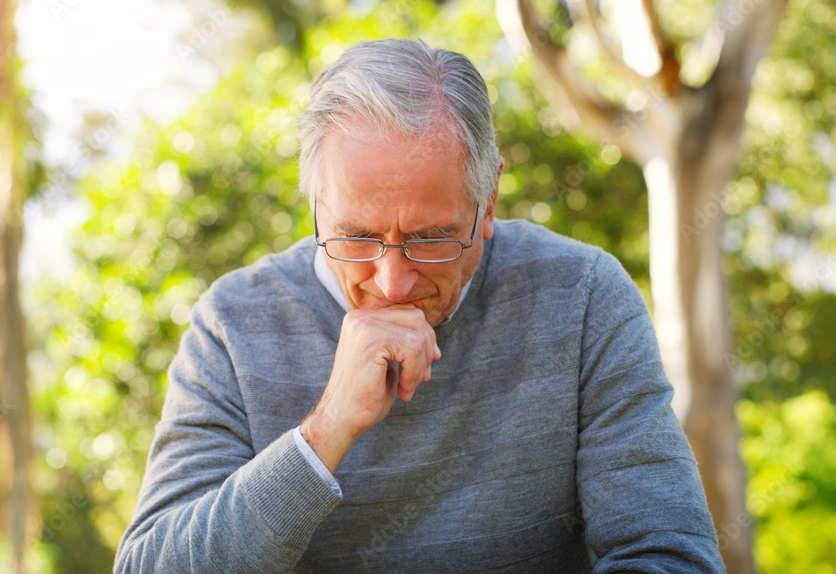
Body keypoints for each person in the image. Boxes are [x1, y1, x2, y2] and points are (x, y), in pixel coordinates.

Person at [114, 38, 725, 573]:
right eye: (356, 236)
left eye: (431, 238)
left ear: (488, 205)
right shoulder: (233, 325)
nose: (393, 283)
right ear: (316, 207)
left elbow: (672, 556)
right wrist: (325, 431)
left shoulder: (583, 295)